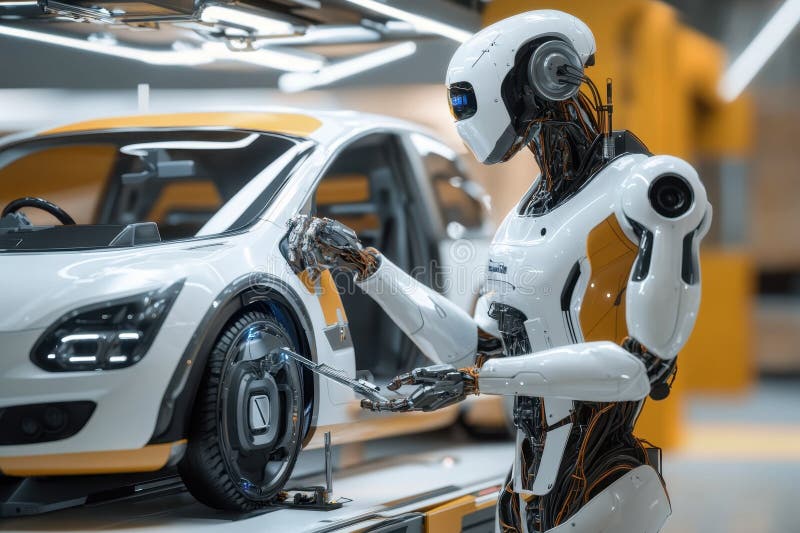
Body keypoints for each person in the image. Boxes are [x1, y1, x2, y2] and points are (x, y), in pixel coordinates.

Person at [287, 9, 711, 532]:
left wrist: (472, 382)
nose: (462, 115)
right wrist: (369, 267)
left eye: (467, 98)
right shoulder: (522, 217)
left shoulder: (650, 188)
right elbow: (479, 348)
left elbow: (642, 368)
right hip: (523, 493)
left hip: (606, 488)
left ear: (545, 73)